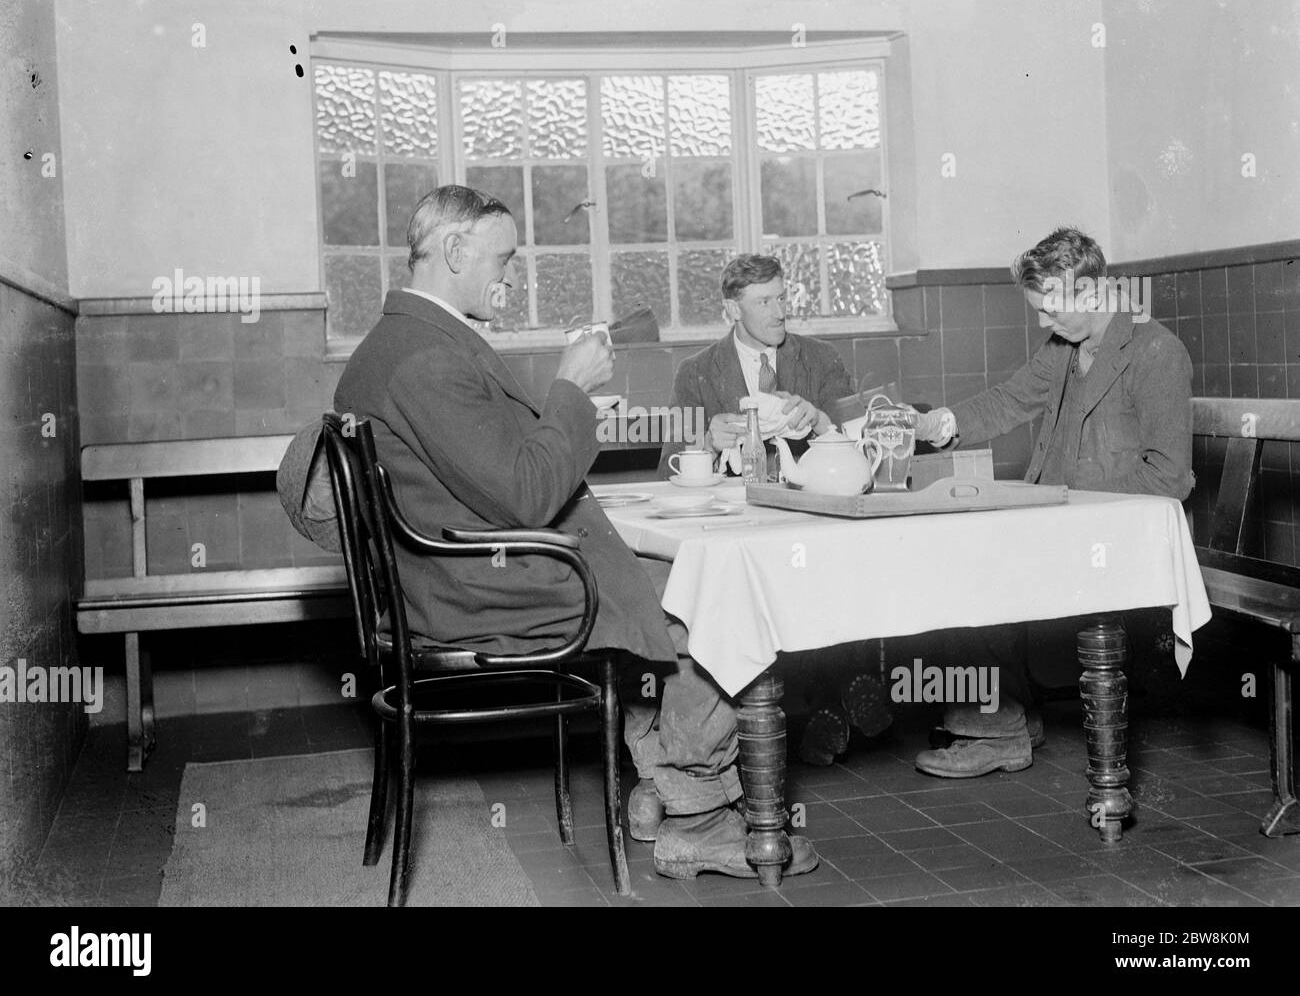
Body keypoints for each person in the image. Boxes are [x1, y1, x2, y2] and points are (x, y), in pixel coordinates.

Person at [333, 185, 815, 879]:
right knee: (705, 595)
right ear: (455, 251)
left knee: (666, 582)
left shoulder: (402, 341)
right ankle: (699, 817)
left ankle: (660, 784)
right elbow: (527, 493)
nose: (509, 276)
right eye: (502, 258)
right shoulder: (425, 357)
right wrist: (571, 389)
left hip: (451, 572)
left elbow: (488, 467)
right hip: (470, 591)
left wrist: (563, 414)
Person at [909, 225, 1193, 778]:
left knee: (979, 569)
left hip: (1118, 540)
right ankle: (1007, 717)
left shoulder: (1157, 352)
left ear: (1090, 292)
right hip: (1065, 527)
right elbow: (1010, 400)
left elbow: (1166, 478)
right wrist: (934, 424)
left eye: (1050, 309)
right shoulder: (1065, 347)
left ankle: (998, 729)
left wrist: (1065, 506)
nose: (1044, 322)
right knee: (964, 552)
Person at [657, 254, 894, 767]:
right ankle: (820, 711)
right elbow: (665, 466)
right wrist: (702, 438)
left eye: (783, 298)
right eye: (764, 302)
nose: (779, 312)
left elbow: (863, 440)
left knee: (819, 595)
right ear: (731, 311)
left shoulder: (821, 360)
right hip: (736, 530)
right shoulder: (697, 373)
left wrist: (821, 421)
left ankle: (822, 706)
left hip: (805, 524)